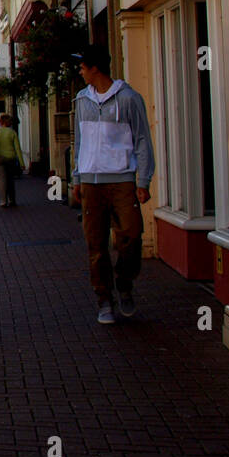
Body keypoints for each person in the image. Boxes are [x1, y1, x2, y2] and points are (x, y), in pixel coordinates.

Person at [70, 43, 155, 325]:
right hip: (92, 183)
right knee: (95, 244)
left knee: (131, 235)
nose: (80, 70)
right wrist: (78, 178)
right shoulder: (81, 101)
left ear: (95, 68)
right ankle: (104, 299)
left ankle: (124, 281)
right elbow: (79, 141)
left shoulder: (129, 98)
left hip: (122, 180)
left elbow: (142, 138)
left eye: (82, 66)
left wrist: (143, 179)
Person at [0, 113, 26, 208]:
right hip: (10, 158)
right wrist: (22, 163)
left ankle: (3, 201)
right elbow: (17, 148)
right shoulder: (12, 132)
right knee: (10, 179)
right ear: (8, 122)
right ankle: (12, 200)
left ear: (0, 121)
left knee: (1, 179)